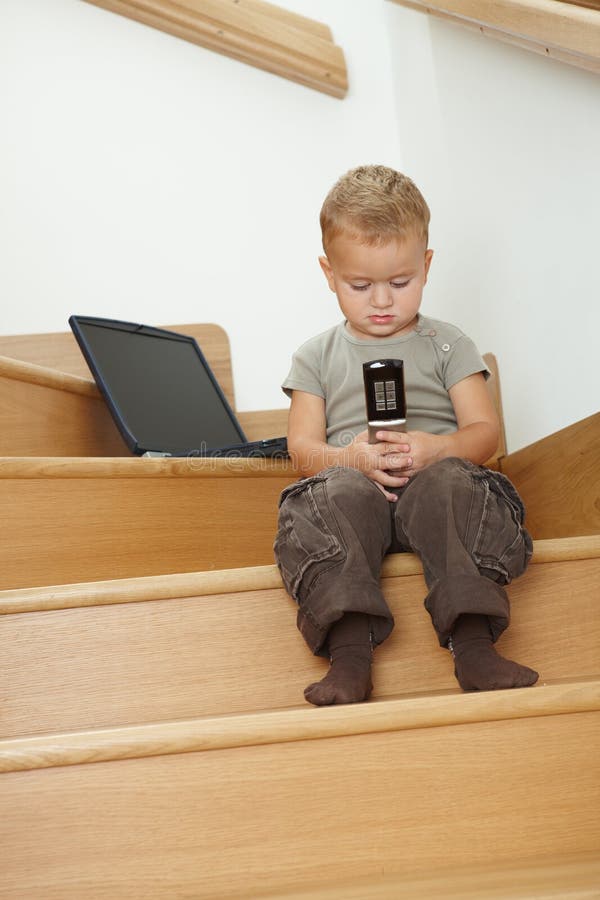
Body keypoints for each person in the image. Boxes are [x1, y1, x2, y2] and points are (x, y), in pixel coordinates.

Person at [274, 164, 538, 706]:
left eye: (400, 283)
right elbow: (301, 449)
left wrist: (439, 447)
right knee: (332, 492)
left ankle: (473, 648)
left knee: (453, 484)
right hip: (356, 490)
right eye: (359, 285)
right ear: (328, 273)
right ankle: (349, 658)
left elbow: (484, 432)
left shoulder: (448, 345)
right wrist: (347, 458)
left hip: (435, 489)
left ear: (427, 265)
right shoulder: (316, 357)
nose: (381, 301)